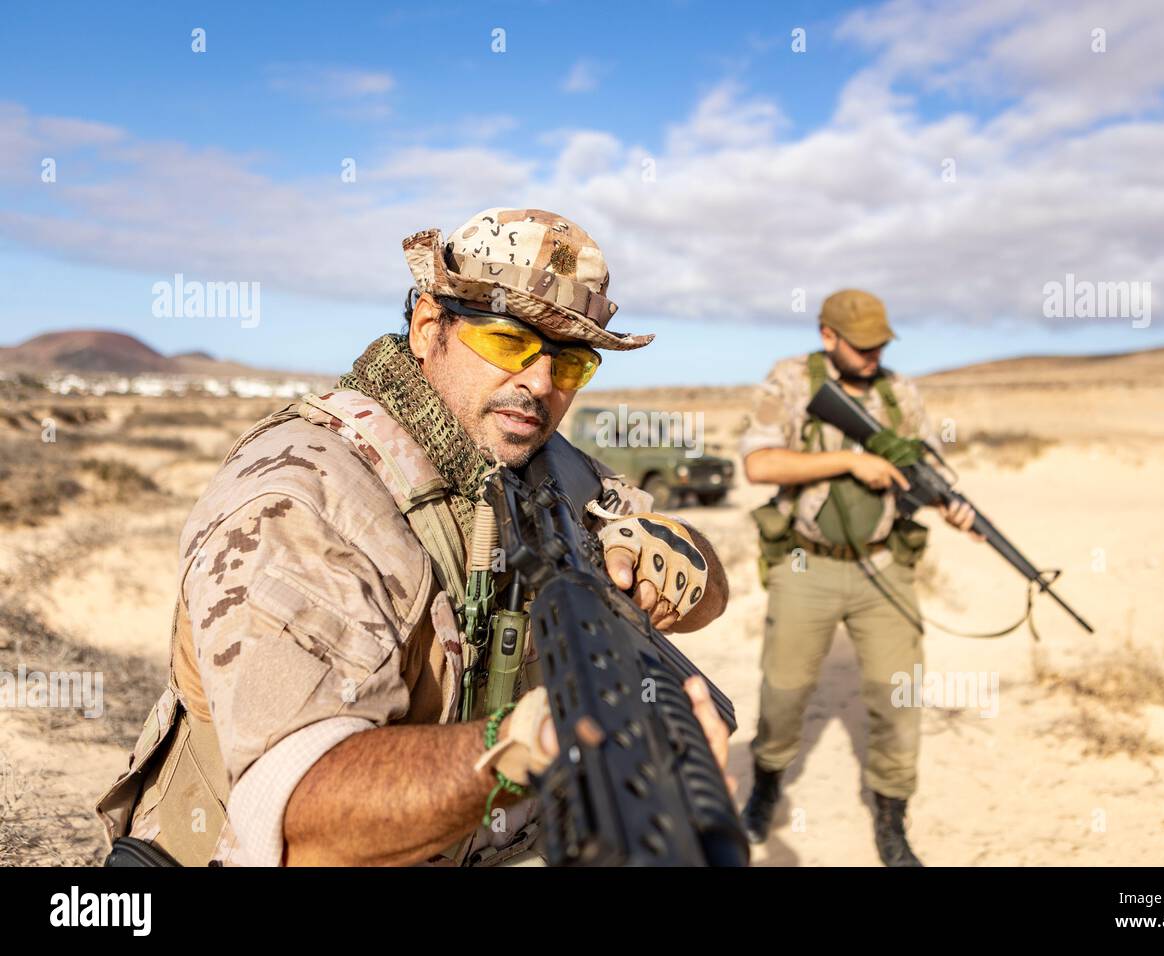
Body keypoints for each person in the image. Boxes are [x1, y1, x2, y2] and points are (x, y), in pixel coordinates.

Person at [95, 207, 732, 867]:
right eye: (510, 343)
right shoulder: (300, 497)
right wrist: (527, 747)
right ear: (431, 327)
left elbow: (706, 596)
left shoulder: (539, 462)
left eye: (572, 364)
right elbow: (303, 818)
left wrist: (673, 554)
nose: (541, 383)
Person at [736, 289, 980, 867]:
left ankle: (892, 819)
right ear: (828, 337)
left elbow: (924, 472)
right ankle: (767, 782)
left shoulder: (899, 394)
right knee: (785, 690)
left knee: (899, 696)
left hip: (883, 565)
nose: (872, 357)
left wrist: (954, 508)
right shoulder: (792, 382)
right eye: (862, 346)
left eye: (880, 346)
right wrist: (849, 460)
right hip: (806, 564)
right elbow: (758, 464)